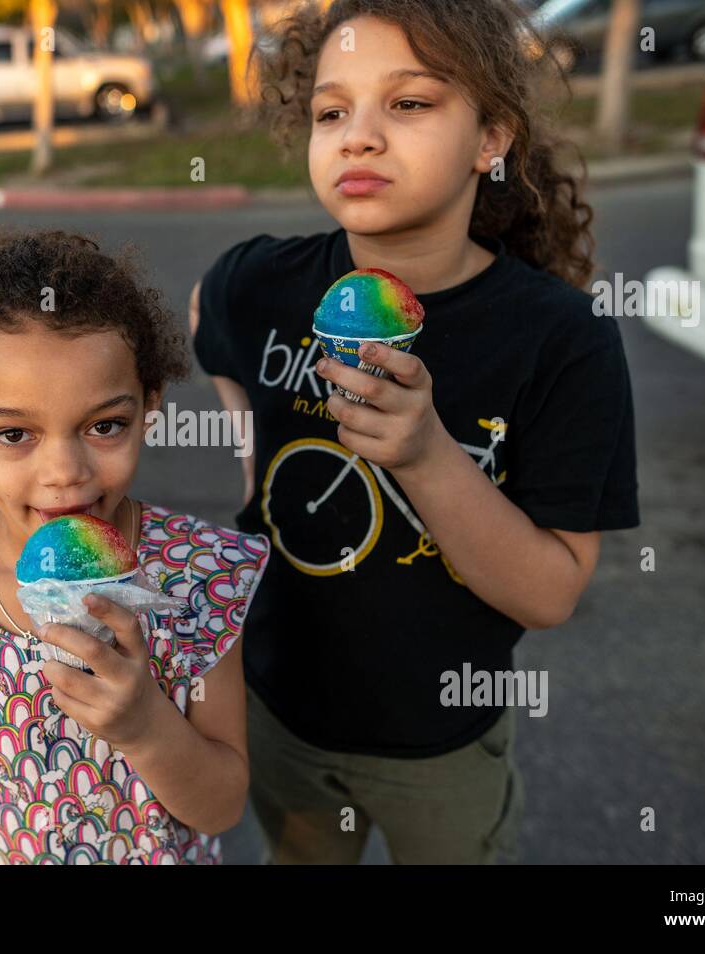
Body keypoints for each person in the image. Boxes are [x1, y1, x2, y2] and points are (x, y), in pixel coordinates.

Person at [190, 0, 640, 864]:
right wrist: (253, 470)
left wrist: (426, 454)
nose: (358, 137)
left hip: (441, 741)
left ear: (491, 139)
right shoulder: (262, 283)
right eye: (332, 112)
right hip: (278, 708)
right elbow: (211, 316)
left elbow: (550, 593)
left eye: (408, 104)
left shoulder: (561, 340)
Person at [0, 229, 269, 864]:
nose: (65, 472)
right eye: (14, 433)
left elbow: (220, 806)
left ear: (149, 407)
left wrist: (144, 727)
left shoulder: (196, 583)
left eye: (105, 426)